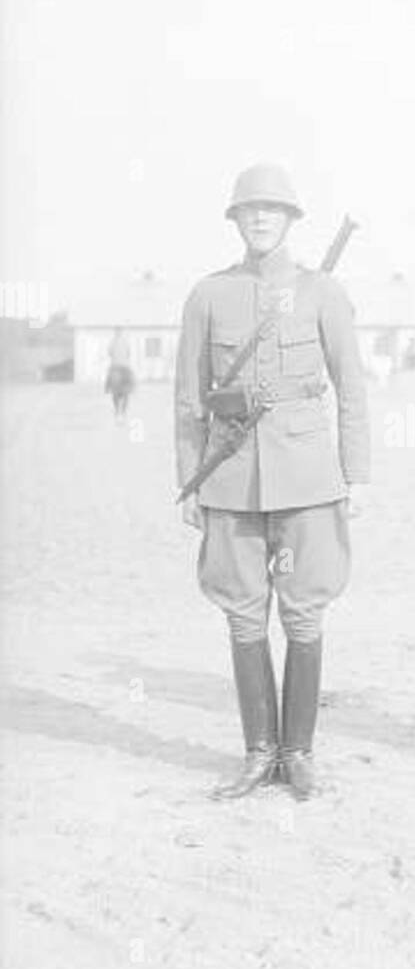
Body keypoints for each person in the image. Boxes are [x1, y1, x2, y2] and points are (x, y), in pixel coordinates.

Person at [174, 163, 370, 801]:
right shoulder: (208, 295)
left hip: (311, 479)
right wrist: (190, 481)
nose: (260, 219)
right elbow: (187, 400)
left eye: (272, 210)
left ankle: (300, 753)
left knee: (306, 613)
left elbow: (352, 392)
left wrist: (356, 475)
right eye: (248, 210)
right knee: (242, 615)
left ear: (290, 220)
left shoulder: (323, 293)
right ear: (235, 220)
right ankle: (259, 752)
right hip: (230, 479)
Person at [105, 328, 136, 419]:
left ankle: (107, 388)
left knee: (109, 377)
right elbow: (129, 353)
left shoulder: (112, 342)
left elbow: (109, 353)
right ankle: (132, 387)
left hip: (115, 365)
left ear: (116, 332)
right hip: (124, 365)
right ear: (121, 332)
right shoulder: (125, 341)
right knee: (130, 378)